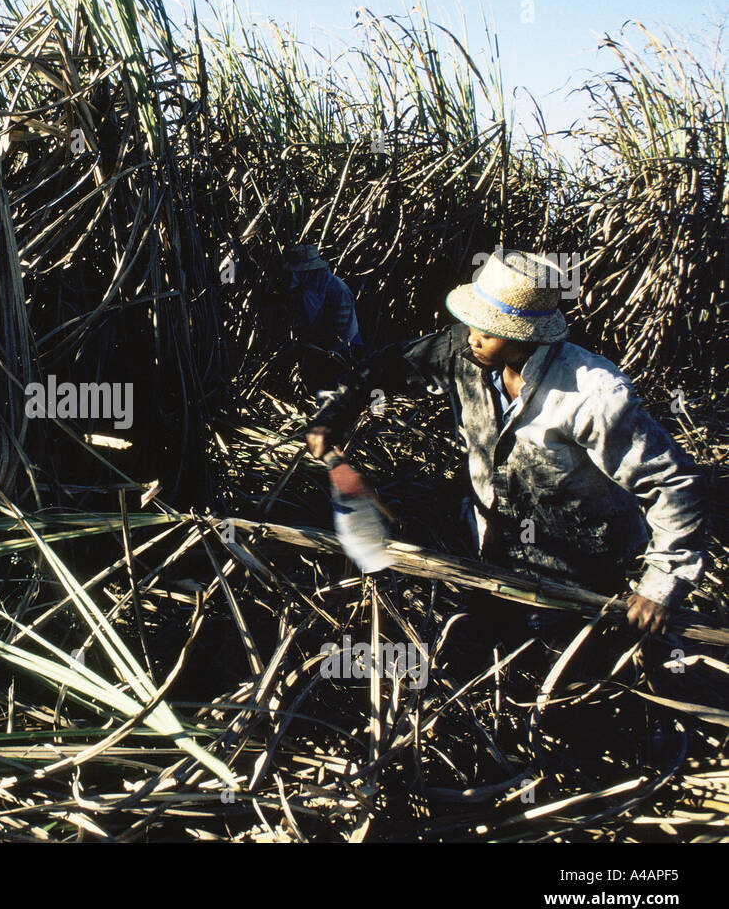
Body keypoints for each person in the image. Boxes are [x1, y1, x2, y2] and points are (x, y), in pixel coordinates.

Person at [304, 249, 706, 639]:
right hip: (499, 550)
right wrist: (331, 417)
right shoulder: (465, 350)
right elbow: (388, 366)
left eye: (489, 331)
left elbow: (674, 483)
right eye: (472, 324)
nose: (472, 339)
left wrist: (661, 584)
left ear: (524, 338)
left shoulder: (591, 396)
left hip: (589, 564)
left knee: (573, 666)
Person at [286, 244, 364, 395]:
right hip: (318, 347)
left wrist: (316, 344)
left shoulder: (337, 288)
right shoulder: (307, 290)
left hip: (344, 346)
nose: (298, 276)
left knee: (338, 388)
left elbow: (340, 325)